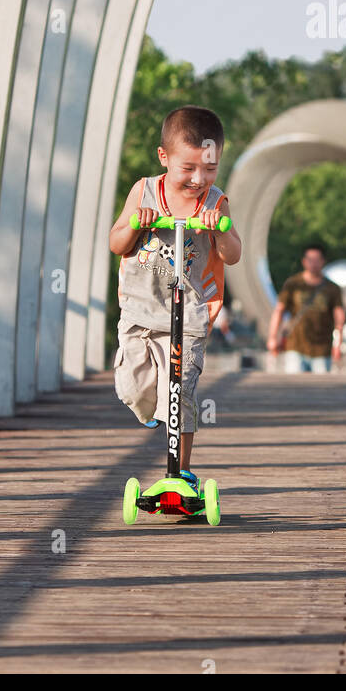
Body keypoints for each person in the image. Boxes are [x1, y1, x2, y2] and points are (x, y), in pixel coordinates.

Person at [109, 104, 242, 493]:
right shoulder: (144, 191)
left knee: (179, 393)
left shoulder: (215, 202)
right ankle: (151, 411)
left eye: (210, 168)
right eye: (189, 168)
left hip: (188, 316)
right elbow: (116, 243)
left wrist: (220, 230)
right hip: (140, 308)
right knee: (134, 390)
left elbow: (232, 255)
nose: (199, 178)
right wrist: (137, 222)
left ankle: (180, 473)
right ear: (164, 158)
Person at [267, 244, 346, 373]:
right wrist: (272, 337)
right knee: (295, 389)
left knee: (320, 390)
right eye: (310, 260)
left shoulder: (332, 288)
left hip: (322, 349)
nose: (313, 264)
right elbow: (279, 311)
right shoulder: (293, 284)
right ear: (304, 262)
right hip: (295, 347)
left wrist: (338, 344)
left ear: (323, 261)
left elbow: (339, 318)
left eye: (317, 260)